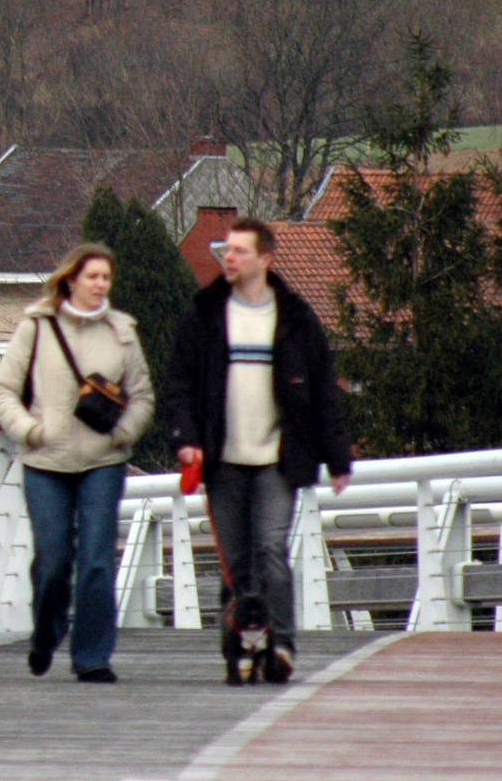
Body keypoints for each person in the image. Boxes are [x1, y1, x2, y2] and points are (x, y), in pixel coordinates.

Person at [165, 217, 353, 684]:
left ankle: (282, 644)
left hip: (277, 459)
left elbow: (324, 391)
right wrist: (185, 440)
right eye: (226, 250)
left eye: (239, 251)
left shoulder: (295, 318)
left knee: (271, 551)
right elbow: (179, 385)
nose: (229, 257)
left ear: (265, 260)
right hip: (222, 459)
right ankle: (238, 651)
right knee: (237, 564)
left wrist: (337, 458)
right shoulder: (205, 315)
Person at [0, 242, 155, 683]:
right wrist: (29, 430)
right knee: (53, 560)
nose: (101, 285)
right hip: (46, 461)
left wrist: (123, 433)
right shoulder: (37, 326)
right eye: (93, 277)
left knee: (98, 559)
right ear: (71, 280)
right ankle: (46, 633)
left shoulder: (122, 331)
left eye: (106, 278)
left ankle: (92, 656)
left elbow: (141, 396)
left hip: (103, 462)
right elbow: (3, 390)